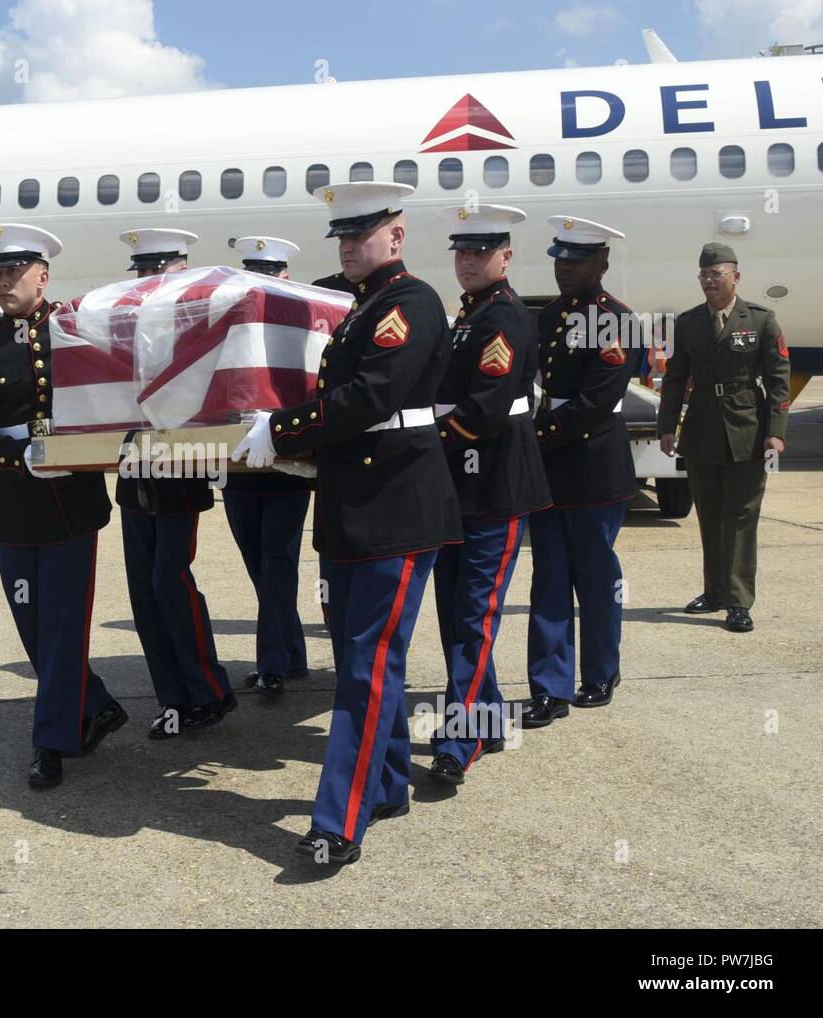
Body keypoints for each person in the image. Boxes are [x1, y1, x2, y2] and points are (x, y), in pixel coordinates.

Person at [232, 182, 461, 865]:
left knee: (363, 667)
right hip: (353, 504)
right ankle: (387, 784)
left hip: (395, 507)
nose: (347, 247)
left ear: (396, 236)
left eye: (360, 235)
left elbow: (370, 396)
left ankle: (339, 819)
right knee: (369, 661)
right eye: (341, 237)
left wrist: (285, 428)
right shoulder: (361, 307)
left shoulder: (409, 303)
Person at [0, 223, 125, 789]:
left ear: (42, 275)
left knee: (63, 624)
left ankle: (50, 742)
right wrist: (14, 458)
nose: (4, 281)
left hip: (73, 499)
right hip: (14, 497)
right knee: (32, 622)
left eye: (15, 271)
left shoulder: (78, 331)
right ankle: (93, 703)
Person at [430, 204, 550, 782]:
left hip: (495, 482)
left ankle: (463, 739)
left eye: (481, 251)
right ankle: (490, 717)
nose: (469, 260)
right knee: (458, 612)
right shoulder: (469, 317)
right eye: (462, 251)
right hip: (460, 486)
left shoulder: (503, 318)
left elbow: (482, 410)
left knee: (474, 613)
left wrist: (418, 447)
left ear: (506, 255)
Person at [116, 228, 237, 739]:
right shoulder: (121, 331)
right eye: (142, 271)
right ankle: (173, 701)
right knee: (144, 592)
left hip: (177, 474)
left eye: (158, 269)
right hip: (134, 474)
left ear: (180, 270)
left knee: (170, 581)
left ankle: (208, 689)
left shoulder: (198, 329)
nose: (149, 280)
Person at [524, 216, 638, 728]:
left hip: (593, 464)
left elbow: (596, 402)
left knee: (595, 578)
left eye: (575, 261)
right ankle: (549, 687)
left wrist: (535, 436)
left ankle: (599, 674)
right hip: (551, 467)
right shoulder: (547, 316)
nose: (563, 269)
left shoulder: (615, 320)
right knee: (548, 579)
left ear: (602, 263)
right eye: (559, 259)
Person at [658, 243, 791, 633]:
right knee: (710, 516)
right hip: (701, 430)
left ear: (736, 277)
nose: (709, 282)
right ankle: (714, 592)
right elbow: (675, 378)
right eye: (703, 275)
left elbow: (778, 379)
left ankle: (738, 602)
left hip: (747, 430)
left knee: (741, 517)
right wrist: (668, 426)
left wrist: (776, 434)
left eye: (716, 274)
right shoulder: (690, 323)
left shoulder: (762, 320)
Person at [221, 236, 312, 696]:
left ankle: (272, 665)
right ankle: (292, 653)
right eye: (252, 272)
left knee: (277, 563)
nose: (260, 283)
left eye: (269, 273)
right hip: (239, 467)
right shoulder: (233, 322)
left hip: (285, 466)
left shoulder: (299, 322)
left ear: (285, 277)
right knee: (259, 565)